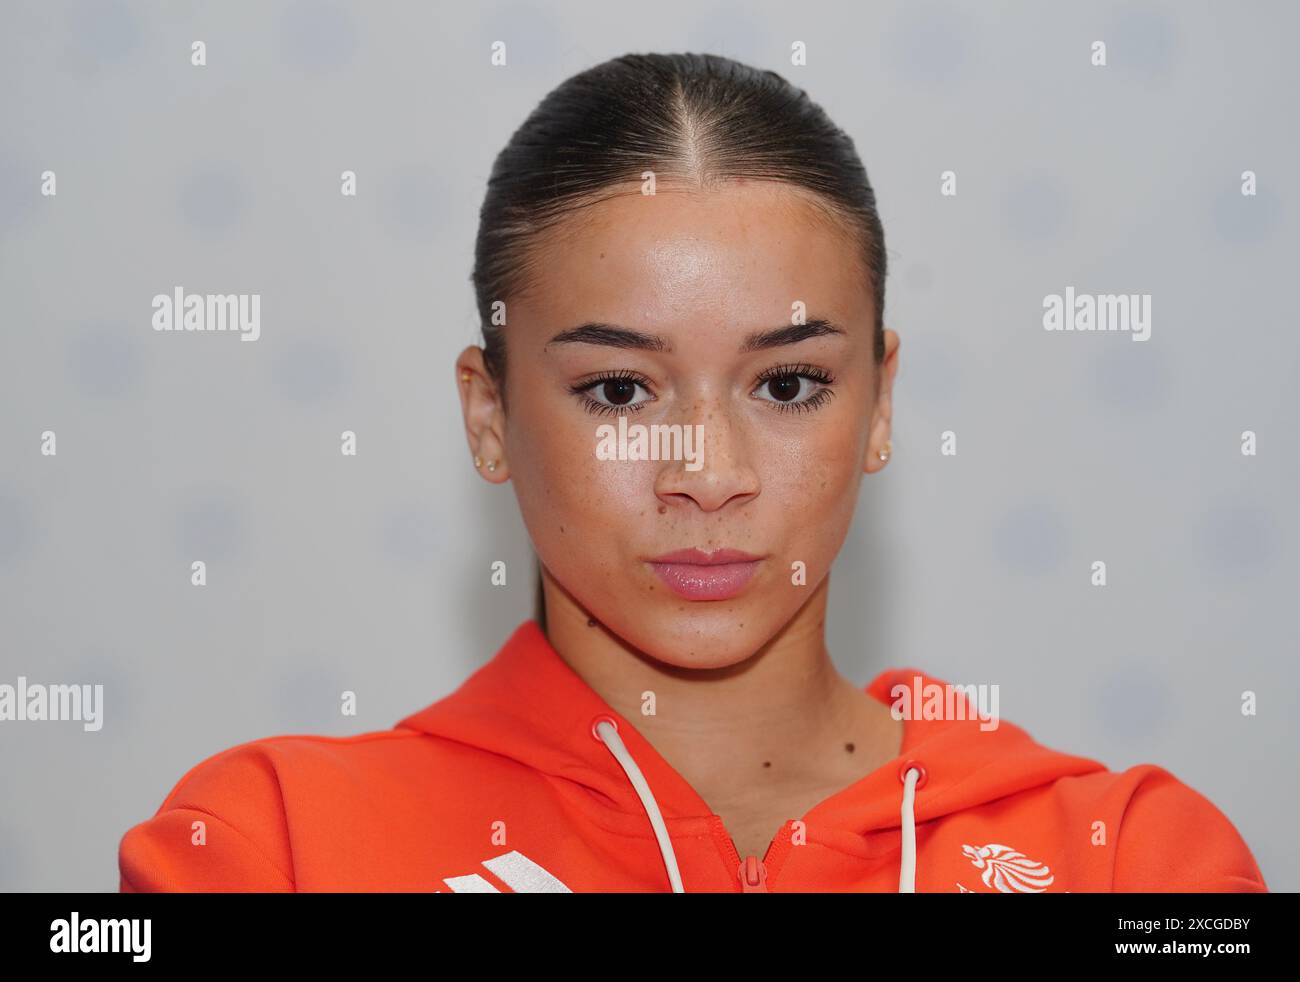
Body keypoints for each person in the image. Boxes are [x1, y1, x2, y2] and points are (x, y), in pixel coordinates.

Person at [118, 52, 1267, 893]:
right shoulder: (272, 846)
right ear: (488, 416)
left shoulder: (1137, 863)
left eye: (787, 386)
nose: (705, 477)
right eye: (619, 391)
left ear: (879, 406)